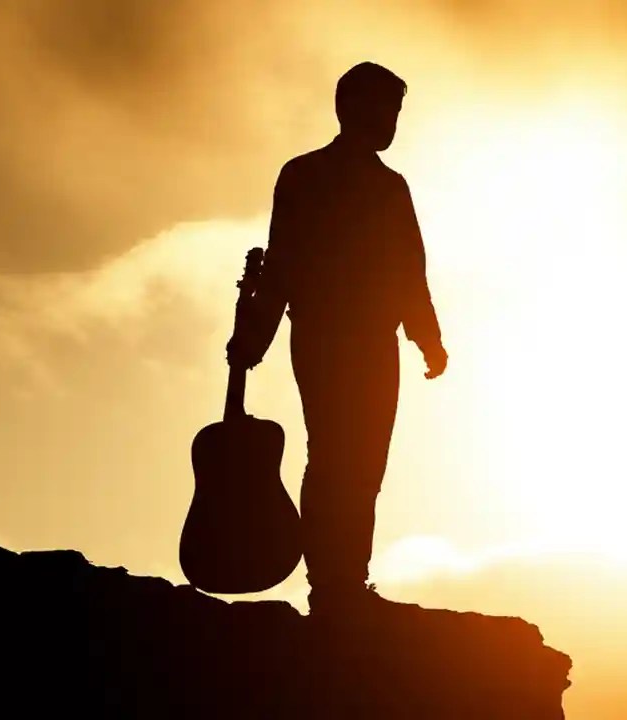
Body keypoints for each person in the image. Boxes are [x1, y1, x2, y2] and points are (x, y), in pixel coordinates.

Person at [227, 62, 448, 614]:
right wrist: (254, 337)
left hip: (365, 341)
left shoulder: (379, 185)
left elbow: (407, 272)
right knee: (335, 457)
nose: (392, 120)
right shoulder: (308, 177)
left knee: (361, 461)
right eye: (385, 108)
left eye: (396, 111)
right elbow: (283, 265)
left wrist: (426, 336)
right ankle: (331, 582)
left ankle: (346, 578)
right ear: (352, 108)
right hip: (331, 339)